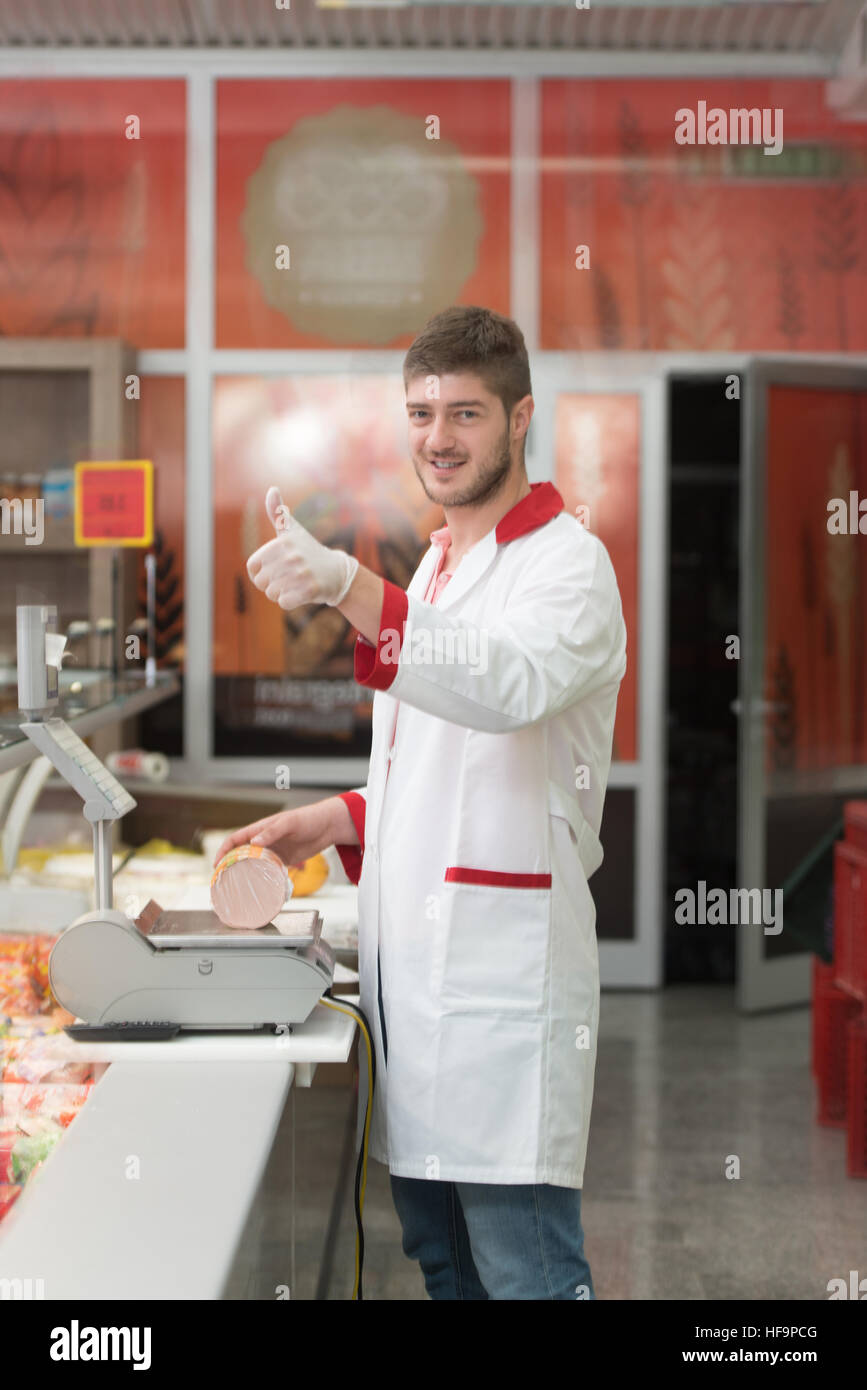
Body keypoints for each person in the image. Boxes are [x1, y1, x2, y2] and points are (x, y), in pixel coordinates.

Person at [214, 305, 627, 1300]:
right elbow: (441, 761)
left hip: (503, 990)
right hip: (419, 991)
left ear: (521, 417)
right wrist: (338, 818)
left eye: (465, 414)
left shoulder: (569, 564)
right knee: (443, 1266)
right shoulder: (441, 564)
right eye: (421, 411)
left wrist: (351, 582)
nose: (436, 437)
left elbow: (503, 687)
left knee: (524, 1272)